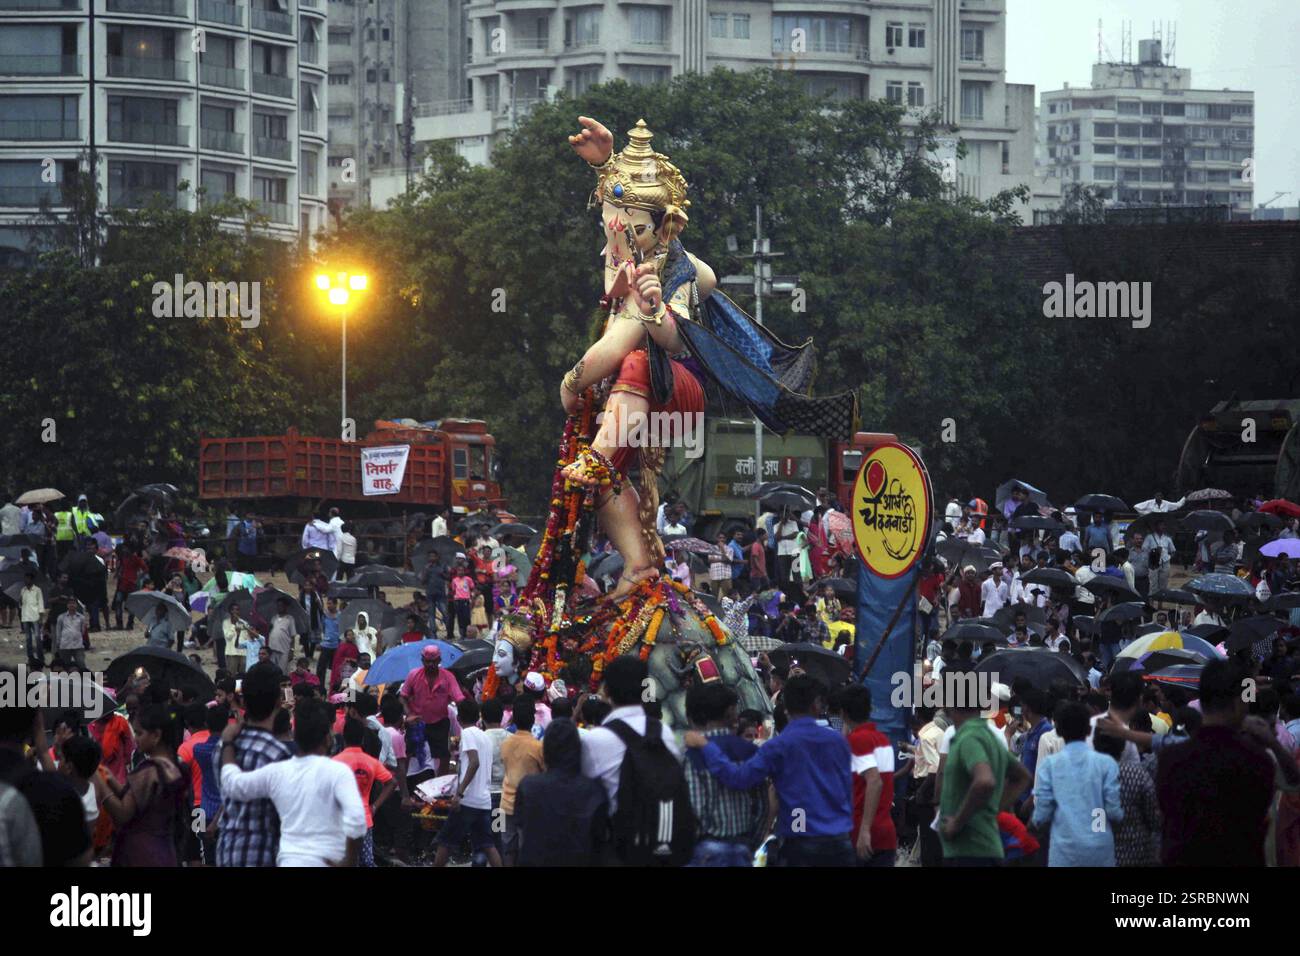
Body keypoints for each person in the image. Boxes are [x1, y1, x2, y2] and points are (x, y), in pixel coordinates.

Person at [686, 673, 854, 867]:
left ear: (785, 708)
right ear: (816, 704)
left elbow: (738, 778)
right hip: (841, 843)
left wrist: (706, 746)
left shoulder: (778, 746)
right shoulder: (839, 742)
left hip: (801, 846)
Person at [1156, 659, 1300, 866]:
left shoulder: (1170, 758)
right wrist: (1272, 742)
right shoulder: (1255, 758)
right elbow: (1294, 783)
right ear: (1237, 703)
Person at [219, 698, 366, 866]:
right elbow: (357, 820)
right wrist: (348, 862)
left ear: (295, 736)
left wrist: (228, 742)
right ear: (328, 738)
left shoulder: (278, 772)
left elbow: (233, 784)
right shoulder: (338, 772)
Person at [938, 663, 1031, 866]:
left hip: (969, 850)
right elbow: (1022, 776)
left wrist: (958, 822)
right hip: (984, 846)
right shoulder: (990, 734)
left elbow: (984, 781)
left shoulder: (969, 737)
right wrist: (995, 808)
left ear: (951, 704)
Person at [215, 662, 293, 867]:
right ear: (278, 701)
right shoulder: (277, 753)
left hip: (227, 852)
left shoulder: (224, 746)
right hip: (263, 855)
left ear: (243, 701)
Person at [682, 683, 765, 866]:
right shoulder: (751, 751)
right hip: (744, 847)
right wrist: (752, 841)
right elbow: (762, 806)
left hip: (707, 850)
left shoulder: (692, 754)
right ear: (730, 712)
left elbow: (694, 809)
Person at [1030, 701, 1123, 866]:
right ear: (1089, 730)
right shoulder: (1106, 764)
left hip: (1064, 853)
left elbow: (1041, 814)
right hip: (1099, 852)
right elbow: (1113, 812)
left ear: (1057, 730)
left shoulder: (1050, 766)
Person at [97, 703, 188, 867]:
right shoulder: (174, 766)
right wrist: (110, 780)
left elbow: (123, 814)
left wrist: (100, 786)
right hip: (166, 850)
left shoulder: (149, 771)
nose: (135, 738)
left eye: (139, 733)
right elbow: (137, 797)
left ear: (156, 735)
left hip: (141, 853)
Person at [514, 717, 609, 866]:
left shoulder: (528, 786)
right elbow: (600, 841)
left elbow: (521, 830)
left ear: (546, 750)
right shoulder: (594, 791)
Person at [433, 698, 503, 867]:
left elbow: (474, 762)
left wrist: (459, 793)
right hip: (484, 800)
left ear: (458, 719)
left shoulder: (468, 733)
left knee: (445, 841)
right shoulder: (483, 736)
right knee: (488, 845)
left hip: (468, 800)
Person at [835, 684, 898, 867]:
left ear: (843, 713)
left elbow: (874, 782)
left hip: (864, 836)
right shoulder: (882, 741)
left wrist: (865, 829)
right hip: (885, 833)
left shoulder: (858, 740)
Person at [1092, 723, 1161, 866]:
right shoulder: (1138, 775)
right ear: (1122, 745)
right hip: (1137, 856)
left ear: (1095, 745)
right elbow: (1155, 820)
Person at [333, 717, 396, 867]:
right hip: (364, 818)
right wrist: (375, 806)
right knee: (367, 860)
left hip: (341, 819)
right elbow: (391, 782)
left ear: (343, 737)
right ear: (362, 739)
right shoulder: (371, 761)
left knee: (344, 860)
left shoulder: (335, 762)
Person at [399, 644, 464, 771]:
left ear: (439, 660)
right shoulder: (413, 675)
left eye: (434, 662)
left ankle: (440, 786)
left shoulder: (448, 677)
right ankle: (407, 783)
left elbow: (460, 699)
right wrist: (409, 714)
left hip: (439, 722)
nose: (430, 665)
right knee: (409, 754)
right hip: (417, 722)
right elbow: (402, 697)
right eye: (427, 661)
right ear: (422, 660)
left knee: (444, 755)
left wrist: (465, 720)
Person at [500, 697, 546, 864]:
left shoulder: (505, 743)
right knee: (528, 851)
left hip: (504, 805)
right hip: (529, 807)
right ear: (533, 718)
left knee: (506, 849)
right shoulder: (538, 747)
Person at [53, 597, 87, 670]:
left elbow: (82, 631)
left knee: (81, 665)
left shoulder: (81, 618)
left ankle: (84, 681)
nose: (72, 605)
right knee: (65, 666)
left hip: (78, 645)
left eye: (73, 603)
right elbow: (58, 631)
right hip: (65, 645)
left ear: (76, 605)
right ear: (67, 605)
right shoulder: (61, 617)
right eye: (70, 603)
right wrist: (58, 643)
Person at [19, 572, 44, 666]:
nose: (26, 580)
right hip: (25, 616)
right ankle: (31, 658)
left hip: (35, 616)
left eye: (28, 578)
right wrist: (20, 601)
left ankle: (40, 658)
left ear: (32, 580)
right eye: (25, 578)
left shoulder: (37, 590)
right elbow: (21, 605)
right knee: (28, 639)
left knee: (37, 638)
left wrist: (41, 617)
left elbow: (41, 603)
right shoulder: (23, 590)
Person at [267, 599, 297, 673]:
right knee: (272, 670)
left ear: (286, 607)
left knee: (282, 671)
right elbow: (270, 632)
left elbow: (293, 636)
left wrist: (292, 650)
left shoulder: (290, 619)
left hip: (284, 649)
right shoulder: (274, 618)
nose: (279, 607)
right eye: (278, 605)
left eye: (281, 605)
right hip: (272, 649)